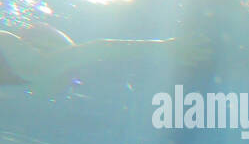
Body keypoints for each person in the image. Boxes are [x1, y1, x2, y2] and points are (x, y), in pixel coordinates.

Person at [0, 22, 209, 98]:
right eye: (73, 74)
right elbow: (98, 48)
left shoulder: (21, 68)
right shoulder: (35, 66)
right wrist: (166, 47)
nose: (73, 83)